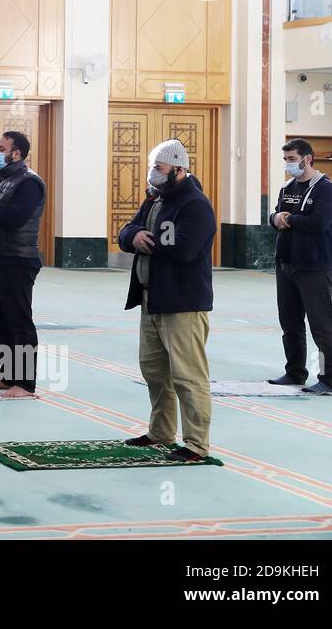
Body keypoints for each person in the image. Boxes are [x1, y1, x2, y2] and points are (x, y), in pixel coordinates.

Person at [117, 138, 216, 462]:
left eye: (158, 168)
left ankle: (196, 444)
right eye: (152, 167)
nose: (153, 173)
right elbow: (126, 231)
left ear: (178, 169)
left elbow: (185, 250)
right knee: (154, 371)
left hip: (183, 304)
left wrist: (149, 243)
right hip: (152, 300)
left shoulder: (195, 205)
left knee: (188, 375)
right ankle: (160, 431)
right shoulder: (155, 201)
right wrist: (134, 236)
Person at [0, 130, 45, 397]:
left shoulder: (30, 183)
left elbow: (14, 218)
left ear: (16, 153)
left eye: (1, 148)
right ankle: (8, 376)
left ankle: (25, 384)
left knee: (19, 321)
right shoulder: (1, 179)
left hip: (18, 259)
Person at [268, 138, 332, 395]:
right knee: (290, 323)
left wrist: (289, 220)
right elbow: (277, 216)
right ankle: (295, 372)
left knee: (321, 326)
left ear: (307, 159)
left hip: (315, 268)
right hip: (286, 265)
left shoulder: (327, 189)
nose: (288, 164)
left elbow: (319, 223)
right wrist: (275, 218)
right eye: (286, 159)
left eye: (292, 159)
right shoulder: (287, 188)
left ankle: (329, 379)